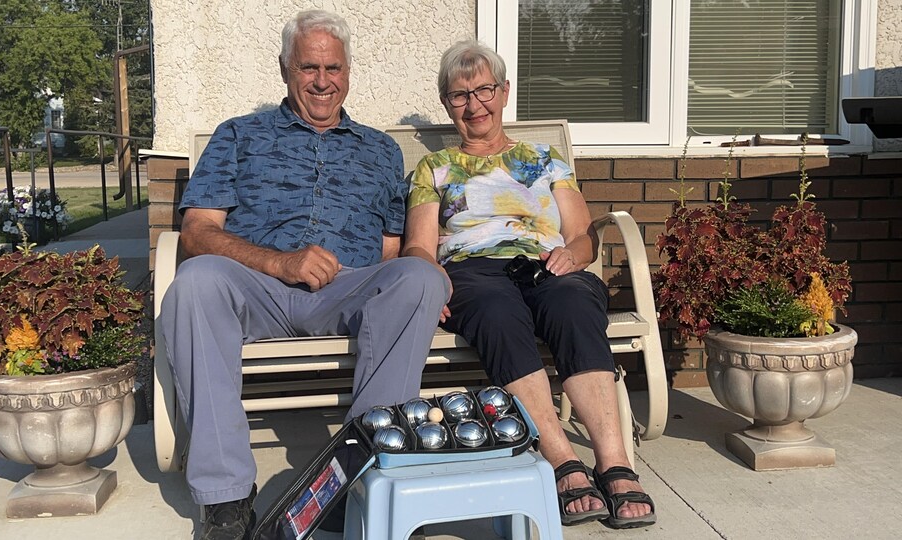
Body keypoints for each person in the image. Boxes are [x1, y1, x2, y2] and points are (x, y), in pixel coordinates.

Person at [158, 10, 450, 540]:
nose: (322, 81)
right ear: (284, 69)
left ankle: (359, 475)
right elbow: (197, 231)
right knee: (195, 281)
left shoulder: (381, 150)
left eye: (333, 67)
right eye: (308, 67)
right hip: (256, 287)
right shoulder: (238, 136)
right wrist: (279, 262)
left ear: (349, 70)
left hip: (346, 287)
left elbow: (391, 250)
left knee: (420, 278)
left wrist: (412, 293)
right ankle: (226, 499)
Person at [401, 39, 656, 530]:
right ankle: (562, 458)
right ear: (446, 104)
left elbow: (583, 237)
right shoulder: (434, 168)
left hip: (544, 262)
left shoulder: (545, 162)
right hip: (472, 270)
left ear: (504, 92)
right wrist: (429, 277)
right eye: (459, 96)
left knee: (574, 305)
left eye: (484, 90)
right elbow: (418, 245)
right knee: (497, 314)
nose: (474, 105)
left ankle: (614, 462)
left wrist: (571, 254)